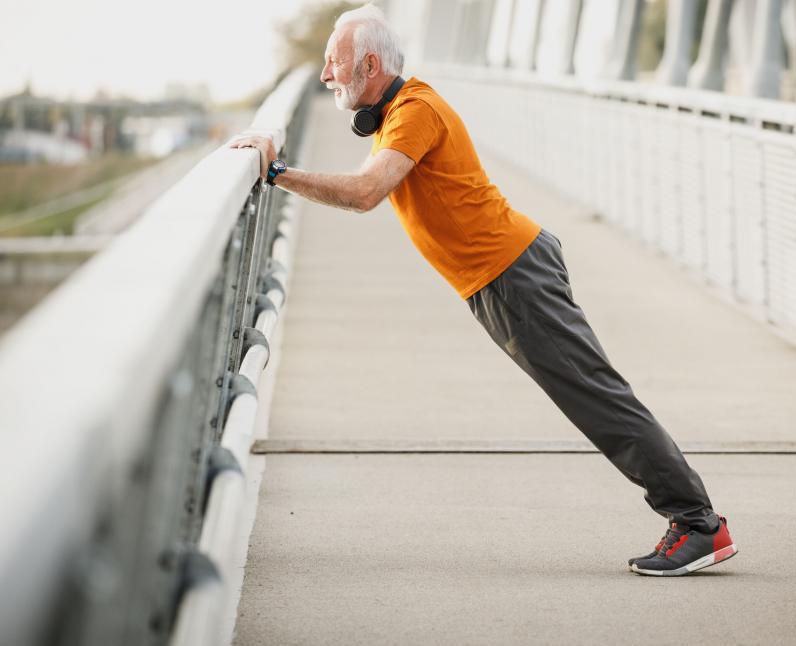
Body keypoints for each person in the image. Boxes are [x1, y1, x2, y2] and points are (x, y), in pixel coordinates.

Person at [230, 3, 738, 577]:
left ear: (369, 65)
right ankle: (692, 518)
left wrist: (276, 174)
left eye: (334, 62)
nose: (325, 75)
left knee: (598, 398)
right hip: (502, 278)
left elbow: (366, 192)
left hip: (515, 274)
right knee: (593, 397)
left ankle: (699, 524)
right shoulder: (400, 108)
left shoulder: (415, 110)